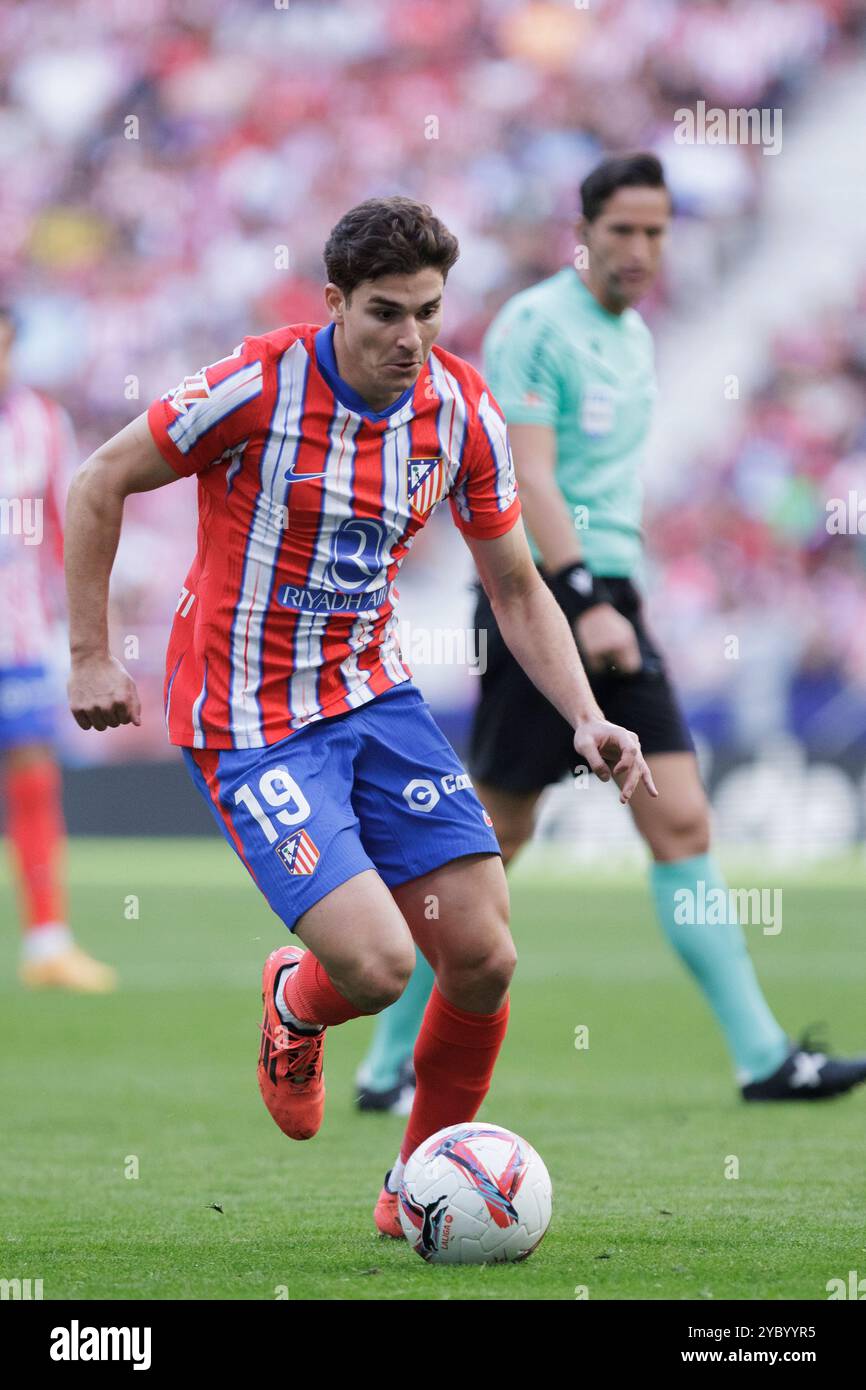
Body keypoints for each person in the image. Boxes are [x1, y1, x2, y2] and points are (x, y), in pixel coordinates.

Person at [63, 196, 655, 1237]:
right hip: (250, 717)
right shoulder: (257, 384)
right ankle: (299, 998)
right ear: (332, 301)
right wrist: (91, 652)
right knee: (379, 968)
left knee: (483, 955)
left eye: (427, 311)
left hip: (372, 696)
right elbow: (98, 481)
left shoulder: (460, 410)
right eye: (384, 312)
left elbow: (517, 587)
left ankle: (411, 1186)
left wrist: (583, 715)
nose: (408, 337)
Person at [355, 158, 866, 1109]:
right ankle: (387, 1066)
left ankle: (762, 1058)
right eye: (623, 231)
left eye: (657, 233)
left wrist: (612, 594)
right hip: (541, 598)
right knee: (489, 848)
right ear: (583, 229)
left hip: (612, 597)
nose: (641, 250)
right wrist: (583, 592)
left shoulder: (632, 337)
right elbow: (531, 478)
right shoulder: (536, 326)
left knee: (680, 821)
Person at [0, 306, 115, 992]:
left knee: (34, 773)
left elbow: (69, 527)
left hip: (15, 635)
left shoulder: (41, 422)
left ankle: (48, 941)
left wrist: (84, 636)